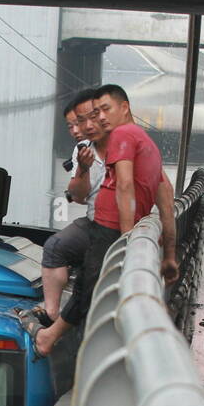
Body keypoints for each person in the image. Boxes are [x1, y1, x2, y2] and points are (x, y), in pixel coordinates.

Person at [35, 84, 176, 357]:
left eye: (103, 111)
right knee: (84, 276)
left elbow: (124, 186)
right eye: (90, 115)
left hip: (111, 228)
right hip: (104, 225)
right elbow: (165, 196)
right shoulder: (144, 143)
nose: (96, 120)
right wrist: (170, 252)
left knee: (90, 289)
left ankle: (52, 339)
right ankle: (56, 324)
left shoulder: (122, 135)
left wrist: (126, 239)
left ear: (125, 107)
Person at [37, 90, 103, 324]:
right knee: (56, 246)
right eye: (71, 125)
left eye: (81, 122)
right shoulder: (83, 149)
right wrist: (82, 169)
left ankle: (60, 324)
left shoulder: (123, 142)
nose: (76, 130)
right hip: (96, 220)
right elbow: (80, 197)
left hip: (116, 226)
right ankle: (52, 313)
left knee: (86, 272)